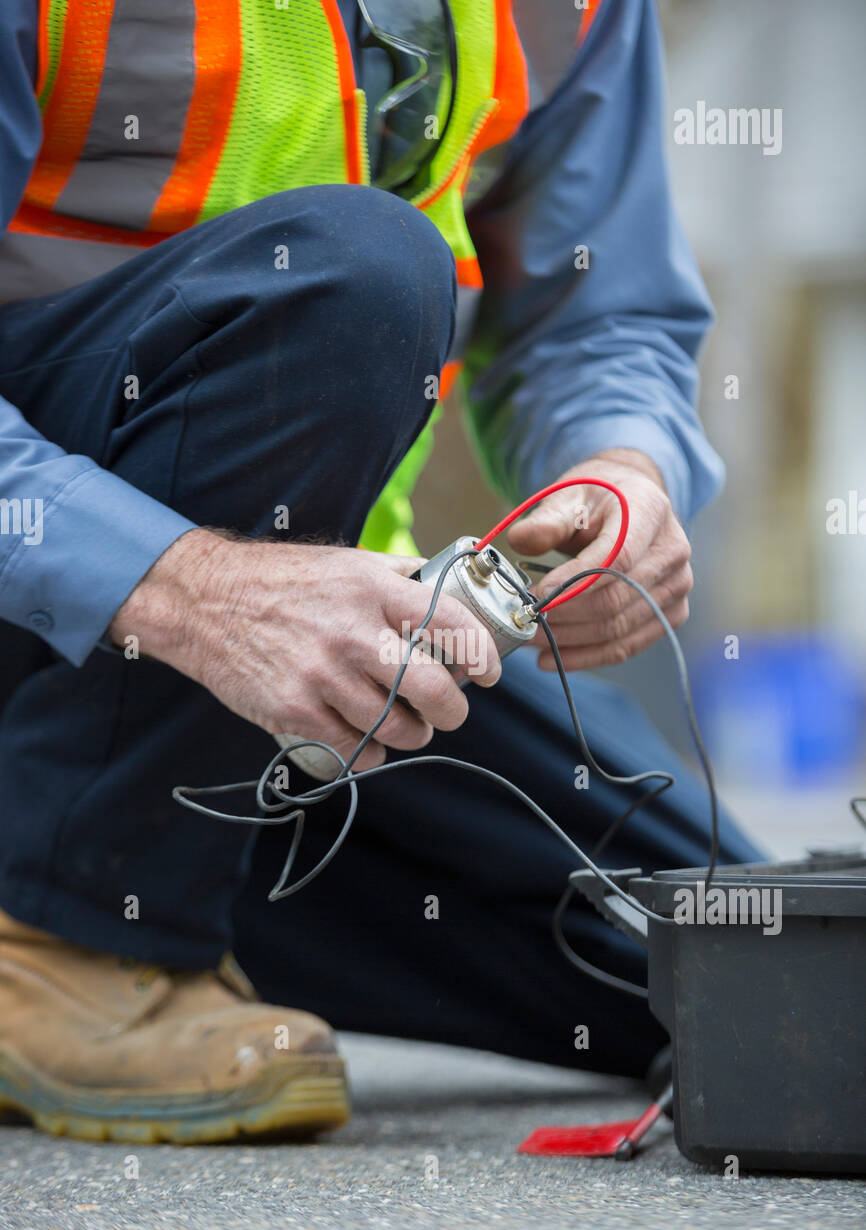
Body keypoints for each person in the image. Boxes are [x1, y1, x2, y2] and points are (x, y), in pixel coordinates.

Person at [0, 0, 756, 1143]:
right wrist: (184, 587)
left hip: (227, 707)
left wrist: (619, 466)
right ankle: (68, 941)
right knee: (356, 273)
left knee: (722, 970)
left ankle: (160, 889)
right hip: (57, 610)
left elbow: (592, 318)